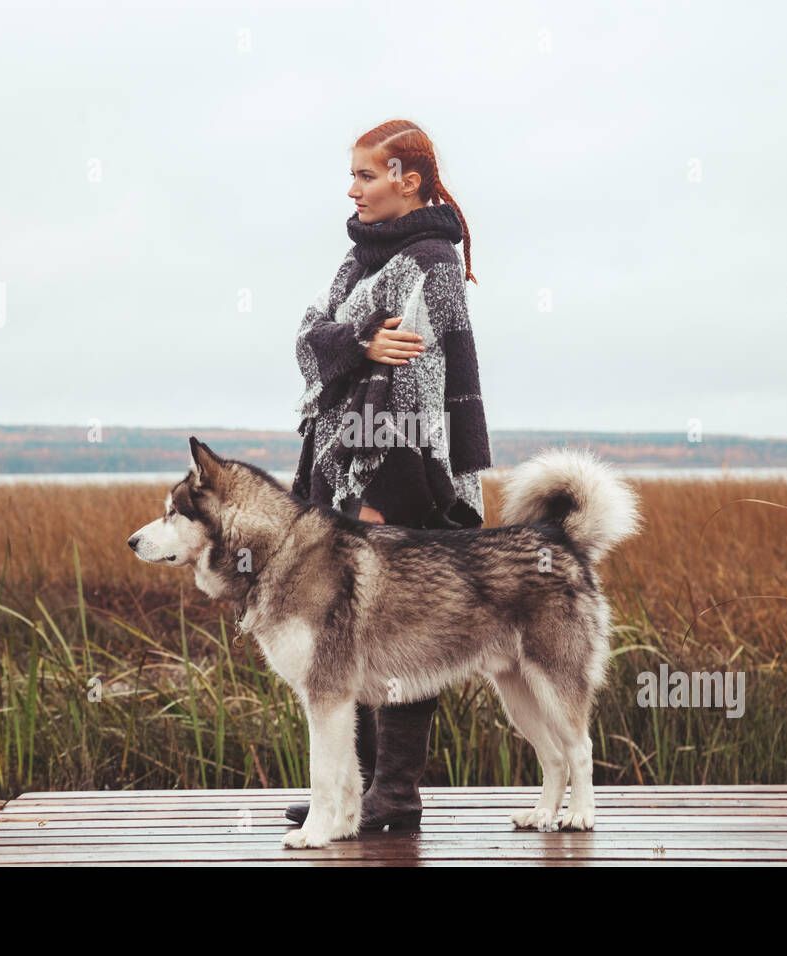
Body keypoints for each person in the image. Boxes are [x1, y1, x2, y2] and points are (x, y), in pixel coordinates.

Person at [287, 119, 492, 830]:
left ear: (409, 180)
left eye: (366, 175)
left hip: (399, 474)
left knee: (398, 635)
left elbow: (423, 387)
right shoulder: (359, 262)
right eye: (352, 174)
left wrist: (382, 494)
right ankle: (364, 790)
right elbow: (307, 343)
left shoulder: (430, 261)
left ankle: (395, 796)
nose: (352, 189)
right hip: (340, 470)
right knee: (351, 635)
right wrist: (361, 339)